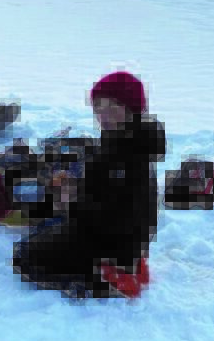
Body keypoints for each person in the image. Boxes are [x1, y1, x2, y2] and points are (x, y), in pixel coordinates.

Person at [13, 71, 166, 298]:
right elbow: (109, 194)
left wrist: (71, 203)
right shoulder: (125, 139)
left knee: (24, 256)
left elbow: (110, 217)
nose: (103, 114)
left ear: (132, 108)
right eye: (99, 106)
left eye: (113, 105)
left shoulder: (127, 153)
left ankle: (101, 281)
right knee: (44, 229)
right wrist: (78, 188)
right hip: (117, 239)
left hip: (111, 245)